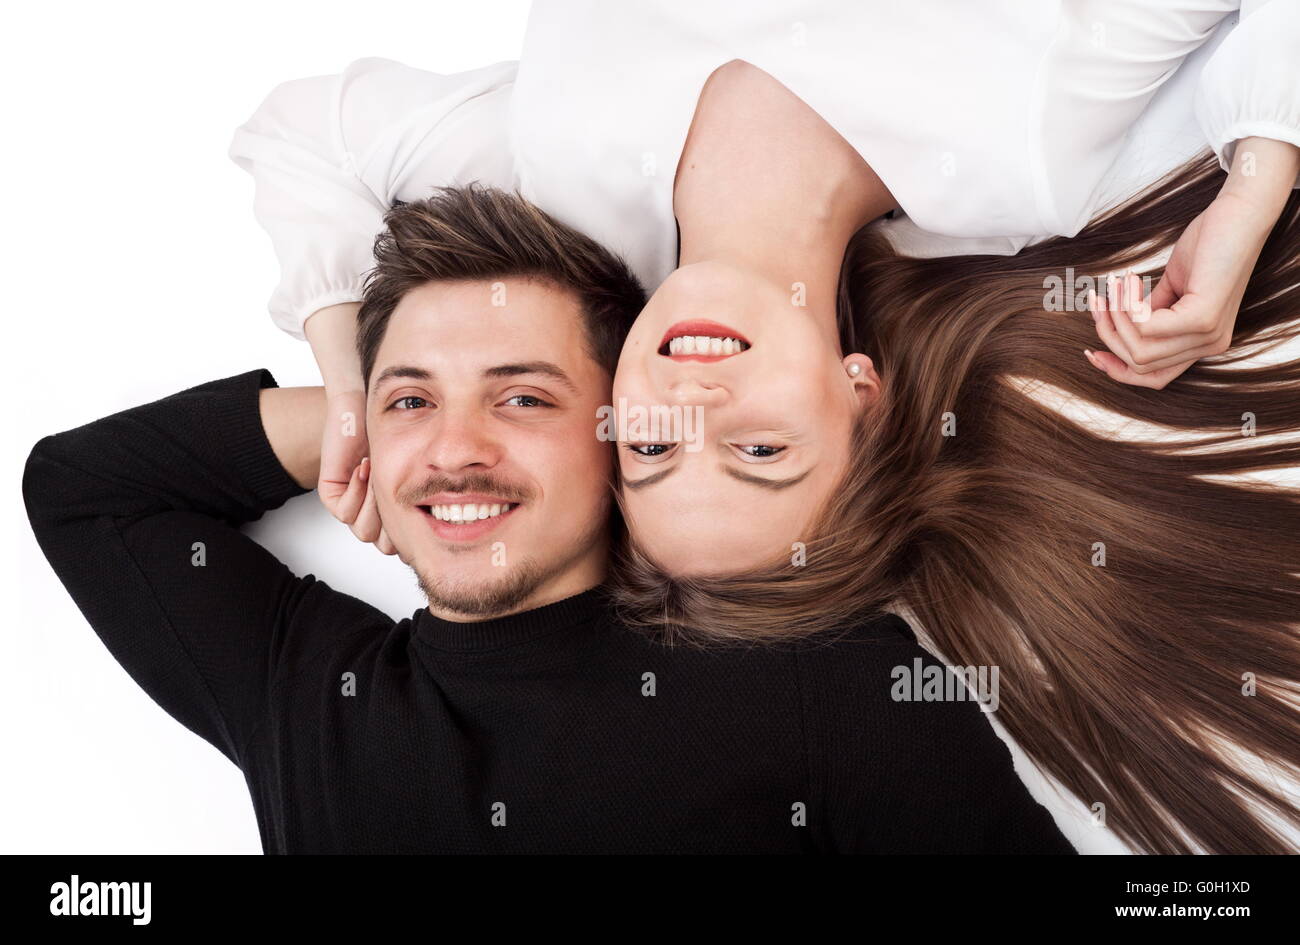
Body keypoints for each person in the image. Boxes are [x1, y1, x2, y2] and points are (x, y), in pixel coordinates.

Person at [228, 2, 1300, 852]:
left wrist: (358, 392)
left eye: (649, 450)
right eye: (759, 451)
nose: (692, 411)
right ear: (862, 395)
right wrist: (1251, 198)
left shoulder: (566, 192)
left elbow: (305, 131)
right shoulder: (1016, 145)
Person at [22, 185, 1076, 853]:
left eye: (522, 397)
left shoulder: (820, 679)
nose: (456, 448)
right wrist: (363, 422)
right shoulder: (312, 700)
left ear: (619, 430)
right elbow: (84, 489)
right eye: (414, 398)